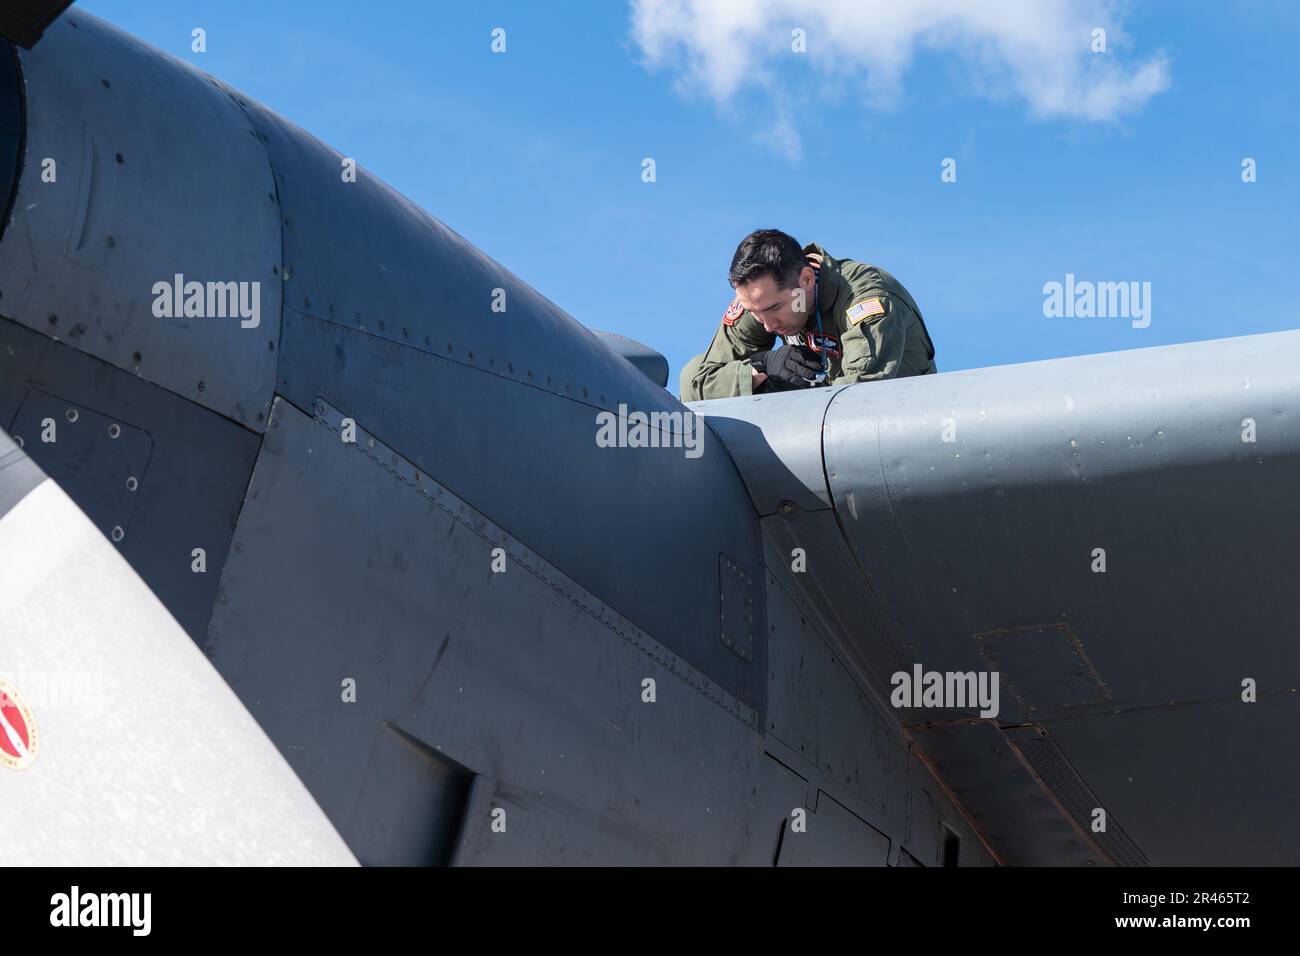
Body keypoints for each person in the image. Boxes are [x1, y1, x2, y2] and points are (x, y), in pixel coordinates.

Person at [679, 229, 937, 400]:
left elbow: (859, 396)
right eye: (754, 313)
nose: (767, 326)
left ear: (806, 280)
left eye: (773, 309)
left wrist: (784, 387)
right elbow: (697, 381)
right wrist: (759, 367)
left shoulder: (863, 297)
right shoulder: (762, 299)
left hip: (896, 425)